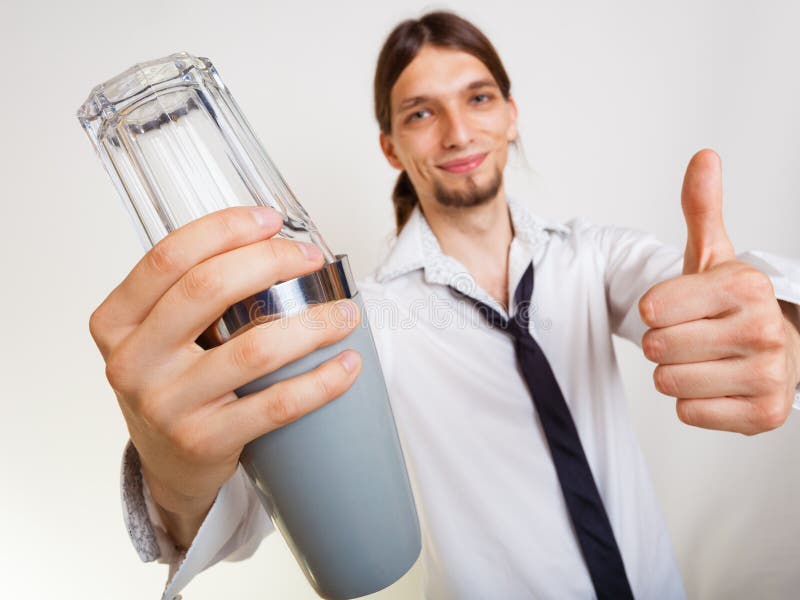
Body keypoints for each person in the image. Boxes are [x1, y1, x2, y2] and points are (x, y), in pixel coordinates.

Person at [89, 10, 800, 600]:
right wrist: (175, 478)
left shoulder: (596, 258)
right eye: (422, 112)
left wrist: (780, 328)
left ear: (513, 115)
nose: (458, 133)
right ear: (391, 147)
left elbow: (708, 296)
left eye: (479, 97)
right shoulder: (356, 324)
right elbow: (250, 501)